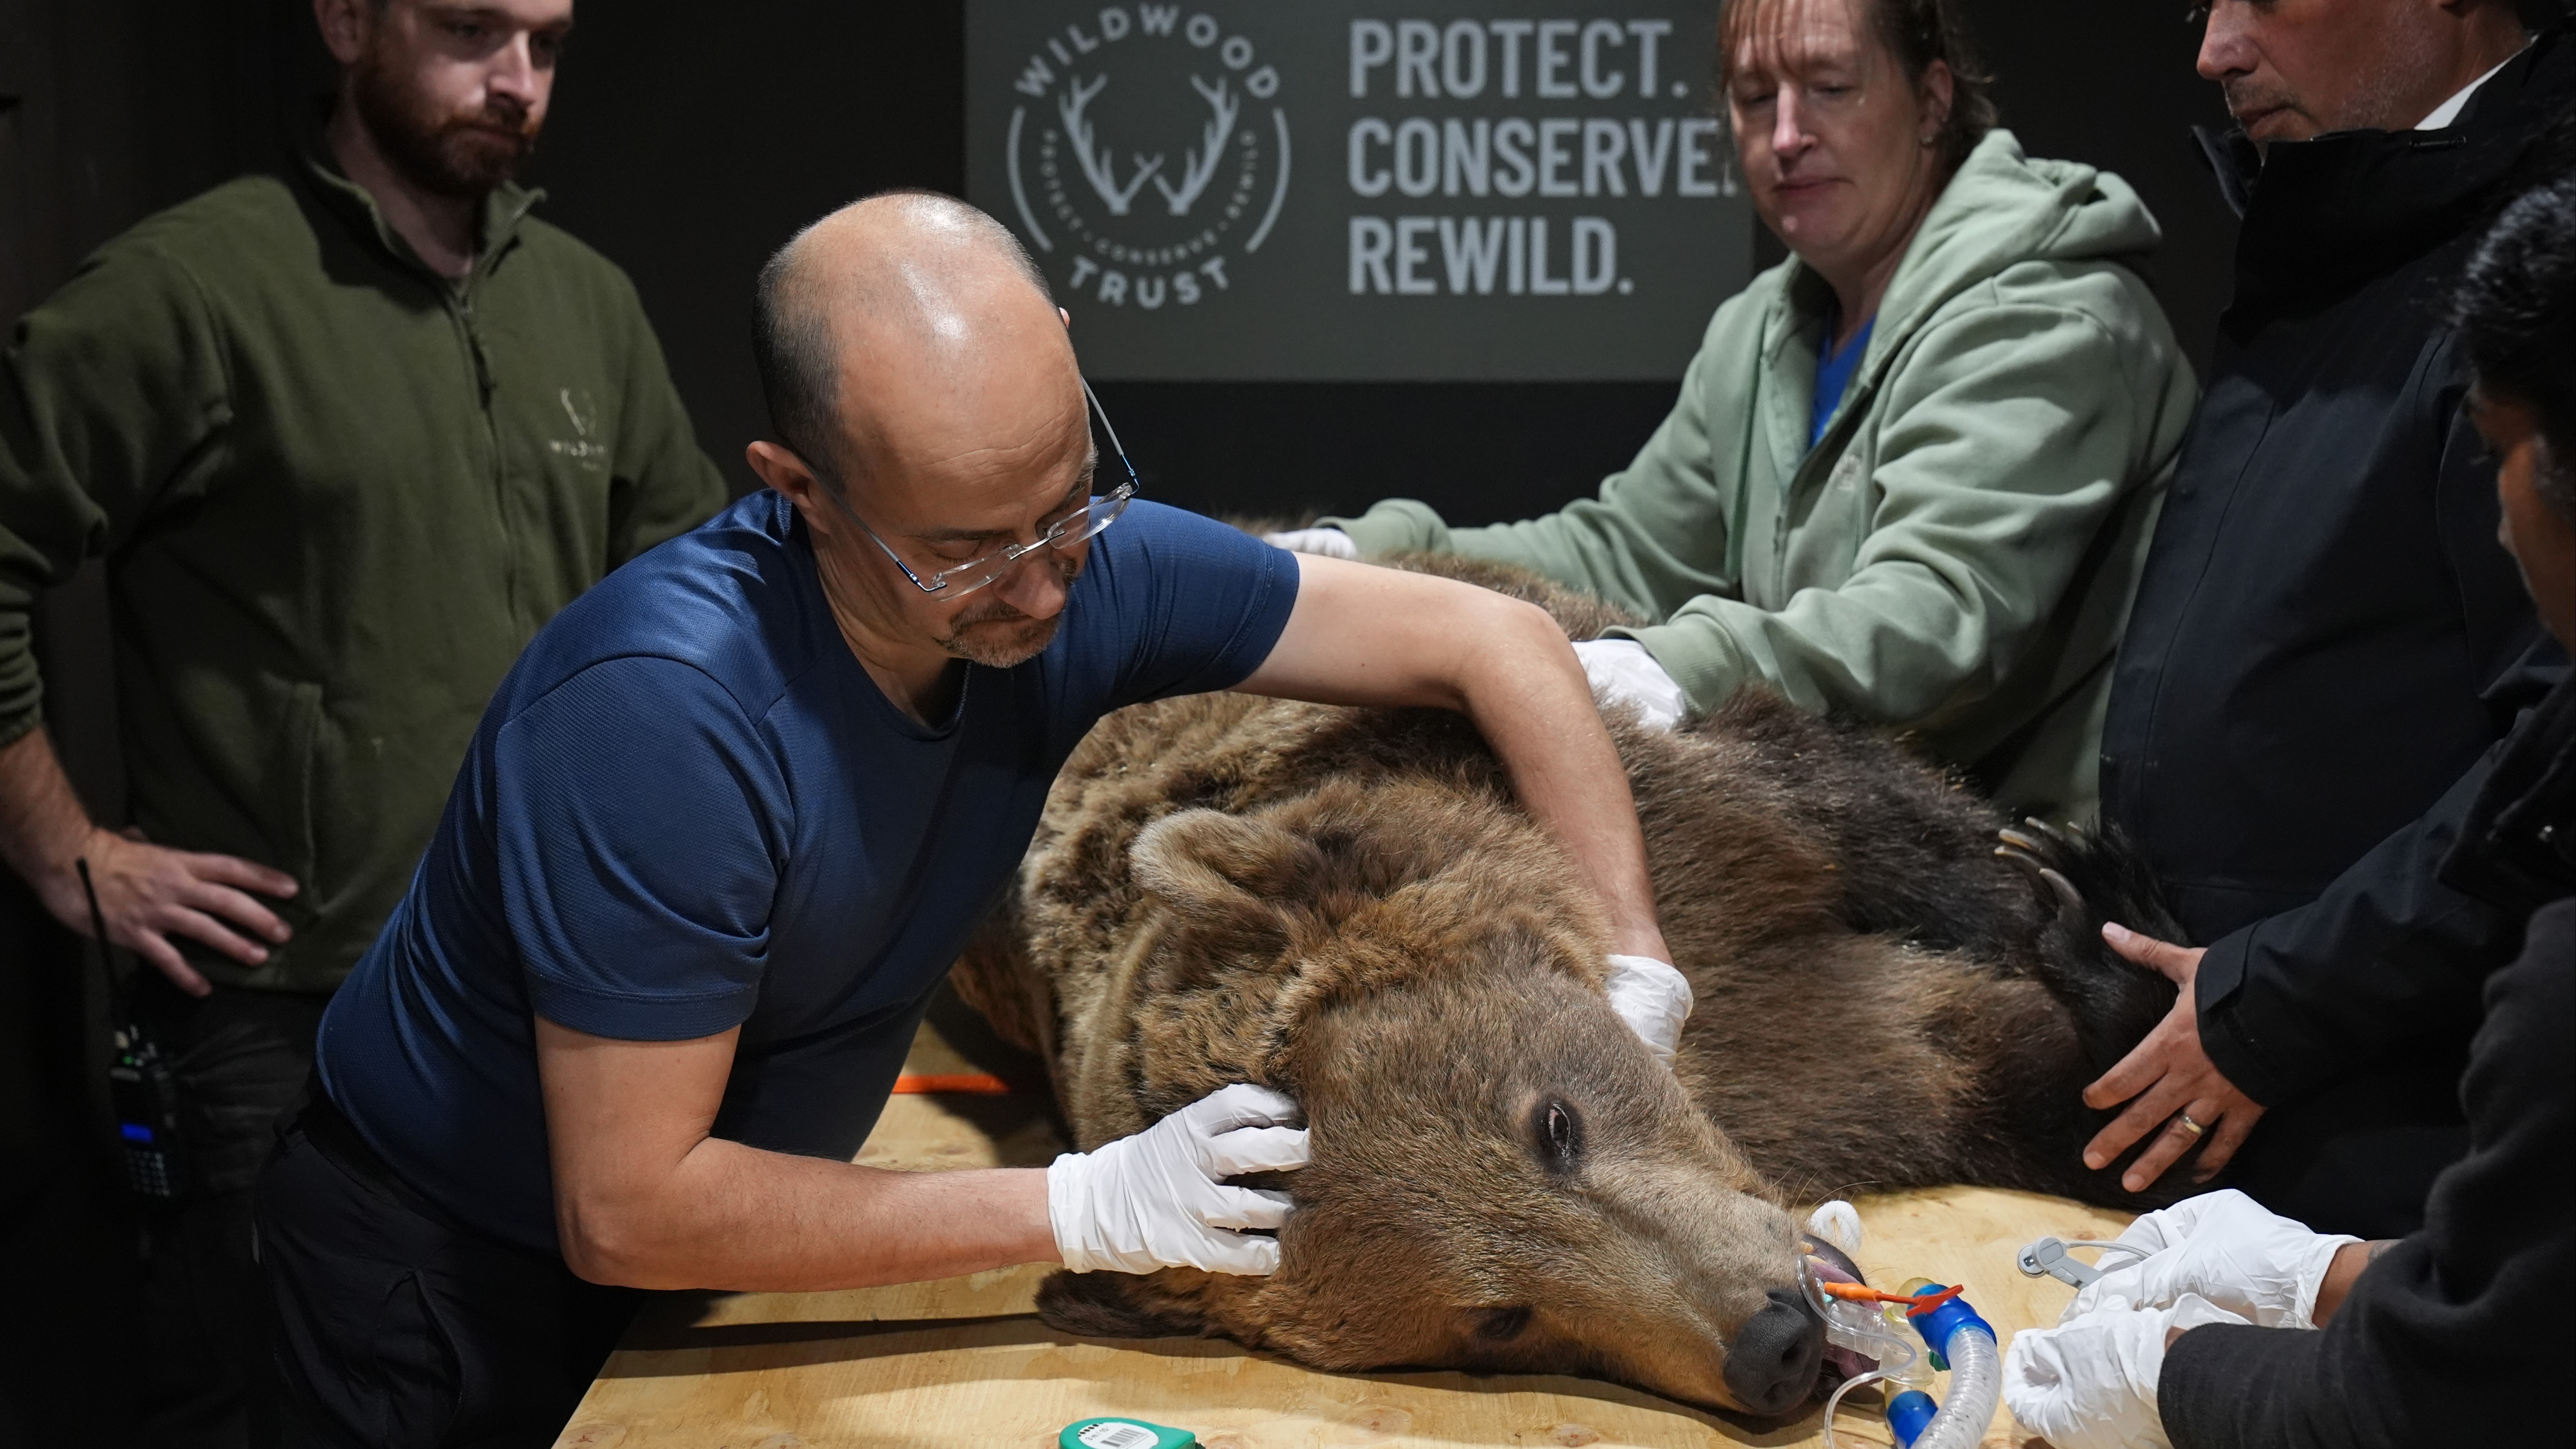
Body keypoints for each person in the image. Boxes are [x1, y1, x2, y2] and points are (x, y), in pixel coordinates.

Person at [253, 191, 1689, 1447]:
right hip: (445, 1281)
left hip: (712, 1264)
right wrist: (1082, 1204)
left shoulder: (1078, 572)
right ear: (800, 490)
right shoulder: (663, 720)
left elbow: (1497, 643)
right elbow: (628, 1208)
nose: (1045, 587)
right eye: (964, 553)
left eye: (1068, 505)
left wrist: (1631, 966)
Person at [0, 0, 723, 1442]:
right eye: (469, 31)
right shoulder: (195, 288)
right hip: (285, 1016)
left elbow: (697, 613)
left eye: (546, 44)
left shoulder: (584, 305)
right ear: (344, 21)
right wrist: (65, 849)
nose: (515, 81)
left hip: (545, 1002)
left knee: (540, 1402)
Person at [1272, 0, 2195, 823]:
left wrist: (1683, 664)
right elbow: (1625, 552)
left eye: (1830, 86)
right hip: (1884, 834)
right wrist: (1383, 558)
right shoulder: (1763, 327)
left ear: (1932, 101)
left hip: (2053, 875)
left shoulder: (2044, 319)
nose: (1787, 134)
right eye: (1756, 99)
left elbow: (1935, 616)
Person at [2001, 163, 2576, 1449]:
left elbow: (2445, 1398)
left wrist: (2169, 1376)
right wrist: (2320, 1276)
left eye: (2494, 453)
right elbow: (2537, 1302)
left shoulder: (2560, 998)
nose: (2495, 520)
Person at [2073, 0, 2571, 1238]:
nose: (2214, 50)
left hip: (2420, 1147)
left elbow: (2561, 751)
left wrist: (2280, 1000)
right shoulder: (2333, 227)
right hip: (2253, 1117)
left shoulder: (2542, 275)